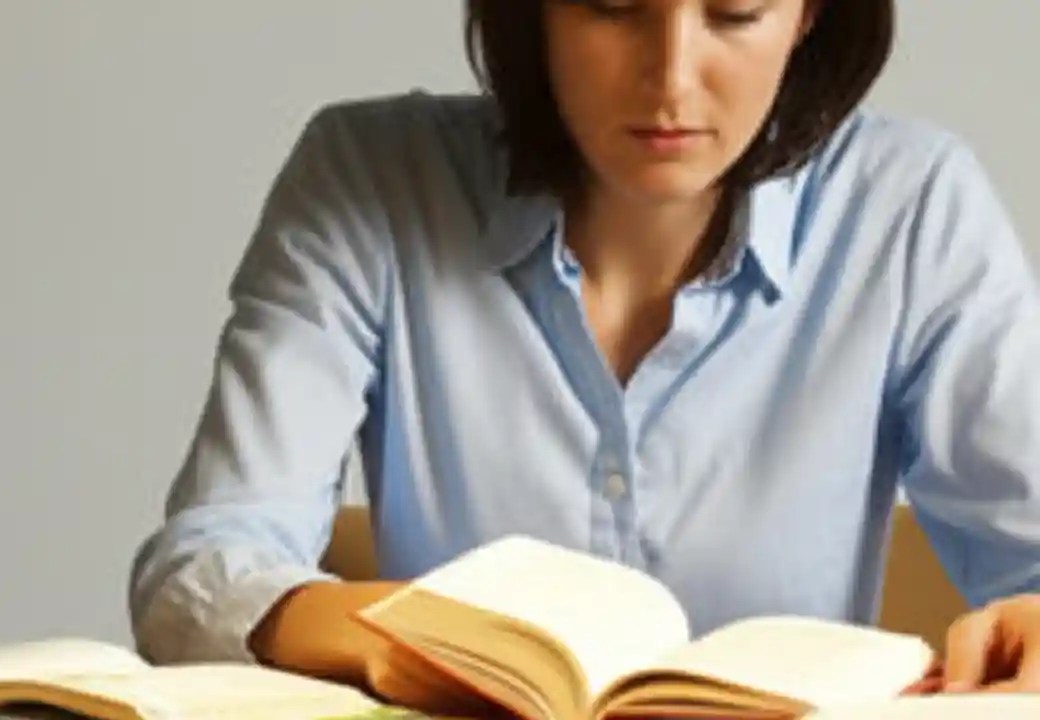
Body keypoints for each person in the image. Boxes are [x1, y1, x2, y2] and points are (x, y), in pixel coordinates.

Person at [128, 0, 1040, 712]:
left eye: (735, 14)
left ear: (809, 15)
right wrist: (400, 646)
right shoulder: (369, 181)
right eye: (610, 6)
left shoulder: (912, 208)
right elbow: (203, 568)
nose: (671, 79)